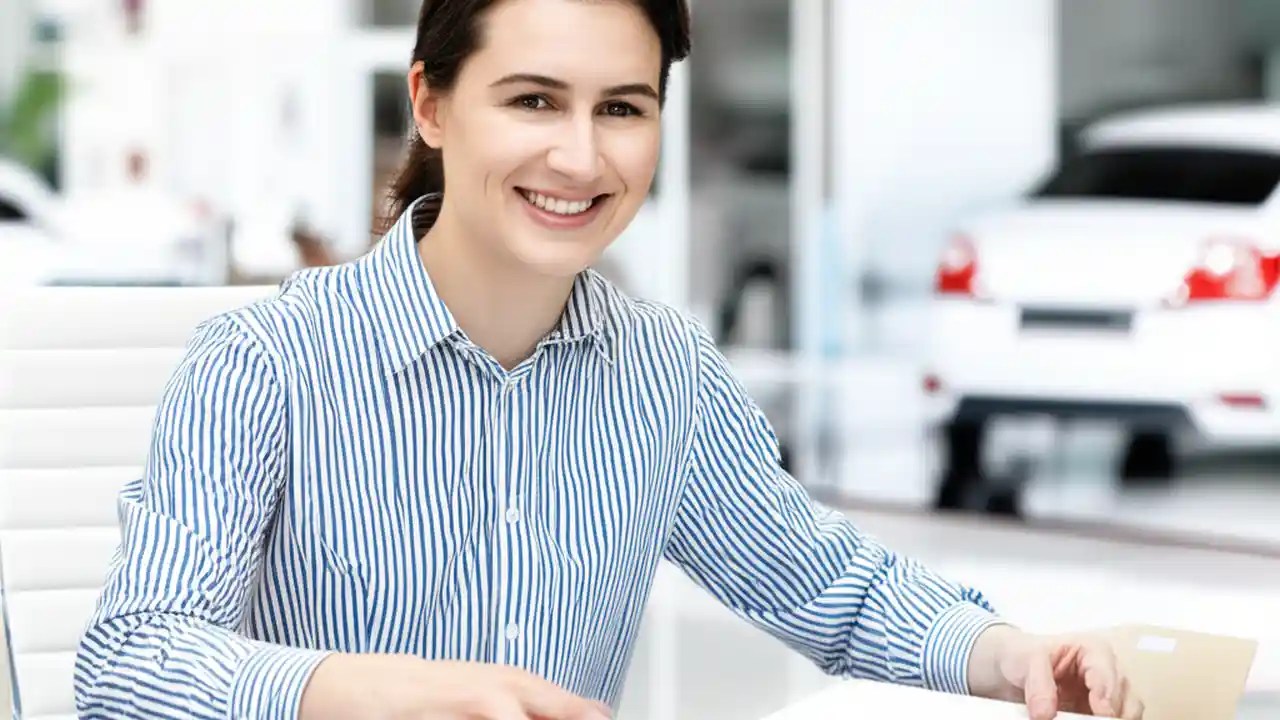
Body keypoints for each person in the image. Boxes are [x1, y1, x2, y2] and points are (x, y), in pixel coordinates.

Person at [74, 1, 1143, 719]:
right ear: (432, 103)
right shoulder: (263, 362)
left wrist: (1011, 656)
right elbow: (128, 661)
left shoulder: (662, 371)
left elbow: (830, 586)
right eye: (533, 100)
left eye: (621, 110)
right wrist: (379, 692)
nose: (580, 157)